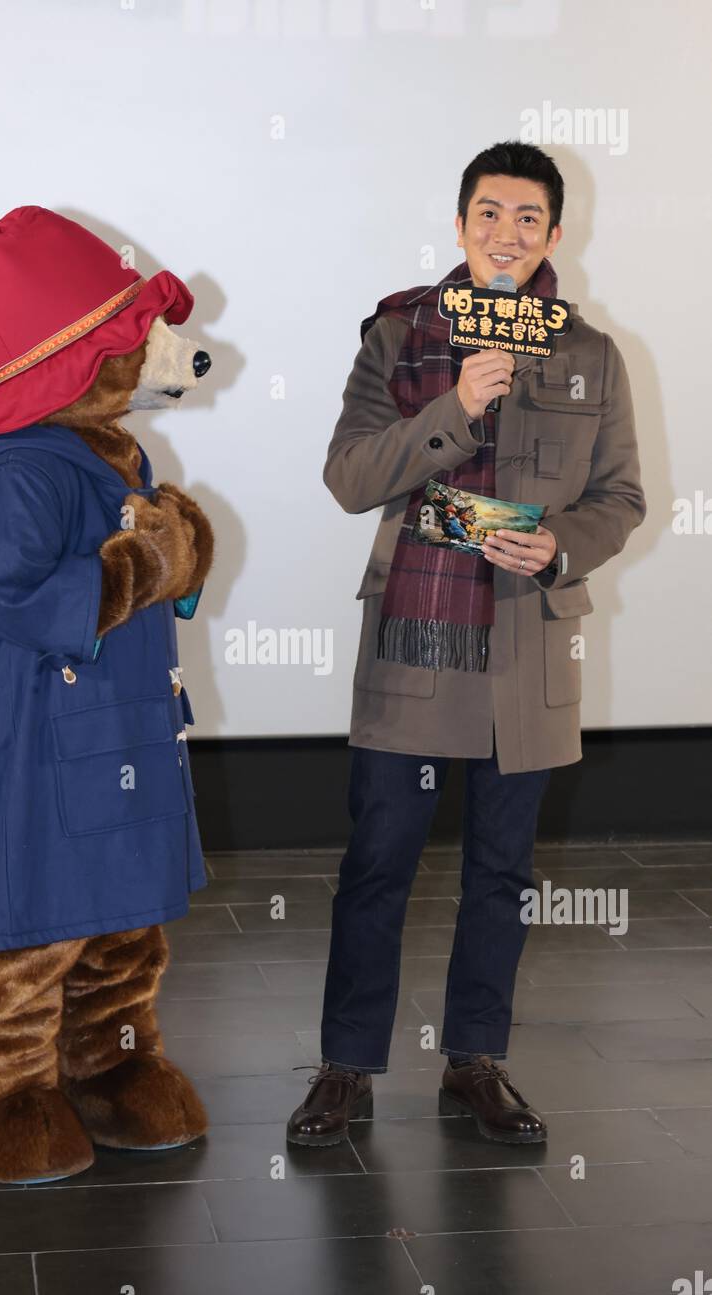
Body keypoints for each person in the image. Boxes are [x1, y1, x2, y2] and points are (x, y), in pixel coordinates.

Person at [287, 141, 646, 1148]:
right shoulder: (402, 333)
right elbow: (350, 476)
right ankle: (344, 1068)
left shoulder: (589, 354)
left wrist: (559, 544)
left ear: (552, 236)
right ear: (457, 224)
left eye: (525, 219)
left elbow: (620, 498)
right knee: (378, 863)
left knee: (500, 868)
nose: (503, 235)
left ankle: (473, 1061)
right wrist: (456, 406)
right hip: (414, 636)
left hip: (524, 640)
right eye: (486, 214)